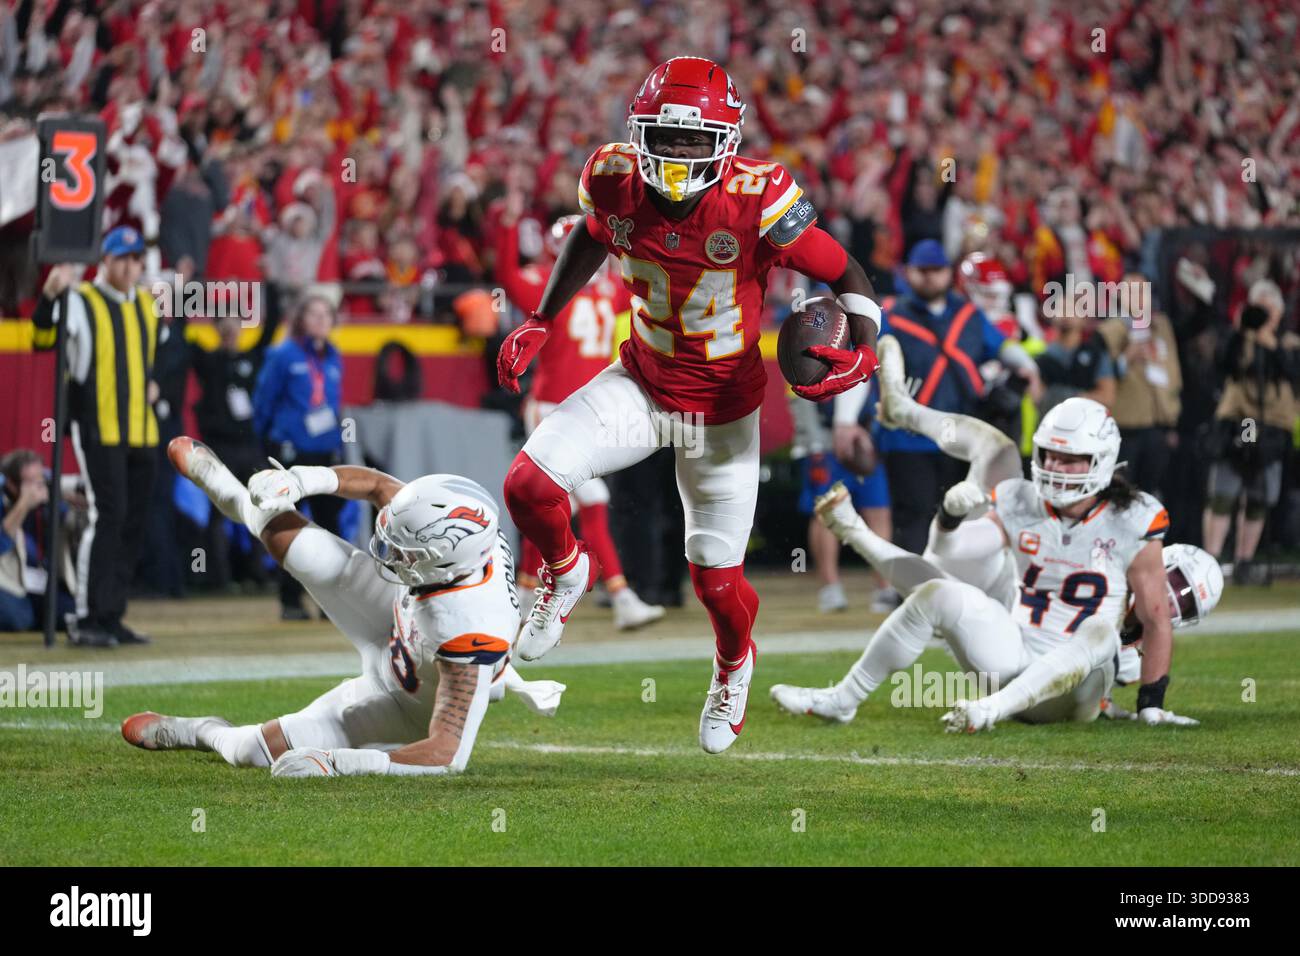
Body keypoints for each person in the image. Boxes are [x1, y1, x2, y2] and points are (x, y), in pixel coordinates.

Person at [495, 57, 882, 754]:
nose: (674, 154)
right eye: (662, 138)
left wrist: (867, 345)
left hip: (725, 414)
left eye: (690, 140)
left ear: (725, 141)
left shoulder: (759, 196)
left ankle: (734, 664)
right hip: (641, 386)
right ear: (638, 134)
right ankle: (567, 568)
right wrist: (542, 316)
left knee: (715, 584)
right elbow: (591, 234)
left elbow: (842, 268)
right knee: (528, 483)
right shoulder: (612, 177)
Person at [122, 437, 565, 776]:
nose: (391, 555)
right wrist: (300, 480)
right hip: (401, 610)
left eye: (405, 554)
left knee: (250, 752)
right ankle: (233, 494)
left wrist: (342, 762)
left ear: (443, 563)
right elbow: (376, 484)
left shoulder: (473, 629)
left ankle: (201, 731)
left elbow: (448, 754)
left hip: (404, 697)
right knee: (276, 526)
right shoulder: (455, 523)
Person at [771, 393, 1195, 731]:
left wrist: (1150, 704)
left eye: (1070, 459)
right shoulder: (1022, 499)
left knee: (1100, 631)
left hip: (1078, 692)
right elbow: (952, 553)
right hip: (1012, 659)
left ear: (1100, 460)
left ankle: (990, 710)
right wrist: (949, 518)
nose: (1055, 467)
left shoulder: (1134, 517)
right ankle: (842, 700)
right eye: (1049, 455)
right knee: (938, 593)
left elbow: (1155, 616)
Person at [495, 206, 663, 630]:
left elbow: (646, 277)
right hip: (552, 408)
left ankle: (528, 590)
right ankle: (621, 597)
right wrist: (506, 222)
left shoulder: (602, 288)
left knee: (561, 503)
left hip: (585, 410)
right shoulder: (584, 287)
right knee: (589, 499)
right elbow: (509, 275)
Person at [860, 239, 1039, 556]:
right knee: (914, 520)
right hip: (907, 438)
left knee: (962, 520)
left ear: (949, 273)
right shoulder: (891, 315)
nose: (930, 277)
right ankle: (916, 594)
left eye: (937, 270)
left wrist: (1028, 367)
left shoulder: (967, 314)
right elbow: (864, 360)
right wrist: (849, 422)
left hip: (960, 436)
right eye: (922, 270)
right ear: (908, 272)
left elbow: (1001, 346)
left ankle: (959, 597)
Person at [31, 226, 161, 647]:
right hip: (98, 426)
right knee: (108, 515)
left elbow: (156, 358)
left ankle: (111, 613)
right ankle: (85, 616)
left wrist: (155, 387)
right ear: (104, 260)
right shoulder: (82, 299)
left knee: (132, 521)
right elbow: (42, 340)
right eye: (121, 257)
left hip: (141, 428)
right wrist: (50, 295)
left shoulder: (147, 304)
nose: (129, 266)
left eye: (136, 258)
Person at [252, 293, 345, 619]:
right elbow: (263, 401)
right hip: (290, 451)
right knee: (291, 527)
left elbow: (335, 407)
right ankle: (290, 600)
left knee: (329, 529)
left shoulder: (333, 357)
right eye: (313, 314)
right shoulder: (283, 355)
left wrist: (340, 446)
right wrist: (267, 444)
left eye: (326, 314)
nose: (321, 320)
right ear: (301, 320)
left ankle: (331, 601)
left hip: (325, 452)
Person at [1202, 279, 1300, 585]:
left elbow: (1291, 374)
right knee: (1232, 481)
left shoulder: (1289, 343)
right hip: (1246, 422)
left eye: (1270, 309)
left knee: (1261, 492)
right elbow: (1224, 365)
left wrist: (1269, 342)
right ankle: (1213, 558)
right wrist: (1241, 330)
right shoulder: (1240, 339)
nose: (1264, 316)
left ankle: (1245, 558)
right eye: (1260, 308)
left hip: (1274, 425)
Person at [189, 302, 284, 588]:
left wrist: (273, 285)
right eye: (224, 325)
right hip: (219, 450)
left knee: (260, 509)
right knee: (217, 515)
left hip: (251, 446)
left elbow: (272, 325)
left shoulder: (253, 358)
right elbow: (181, 336)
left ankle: (259, 573)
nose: (230, 331)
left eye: (235, 324)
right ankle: (218, 577)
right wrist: (187, 289)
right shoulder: (209, 363)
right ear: (216, 330)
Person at [1097, 273, 1183, 496]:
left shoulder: (1161, 327)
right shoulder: (1109, 331)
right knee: (1120, 489)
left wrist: (1172, 421)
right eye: (1132, 293)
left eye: (1143, 292)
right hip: (1124, 424)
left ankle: (1146, 531)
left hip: (1157, 423)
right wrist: (1126, 359)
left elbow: (1172, 372)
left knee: (1151, 490)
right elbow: (1099, 375)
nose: (1139, 299)